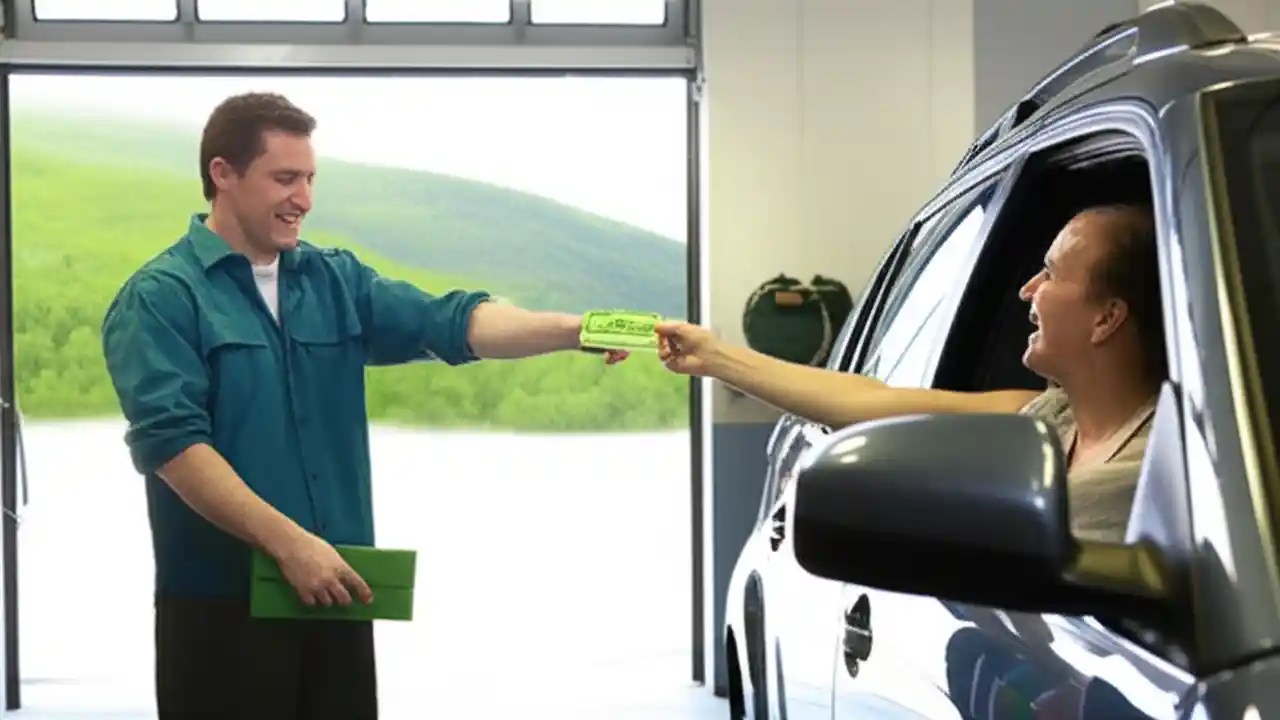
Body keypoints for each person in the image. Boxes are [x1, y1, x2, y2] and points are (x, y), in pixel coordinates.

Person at [100, 92, 628, 719]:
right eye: (285, 178)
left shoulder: (334, 281)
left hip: (336, 590)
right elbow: (176, 448)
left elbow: (450, 322)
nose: (304, 198)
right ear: (223, 173)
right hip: (221, 609)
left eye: (310, 179)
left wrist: (576, 331)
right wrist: (290, 546)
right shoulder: (162, 297)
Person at [656, 204, 1164, 543]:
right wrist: (713, 356)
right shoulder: (1044, 416)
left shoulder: (1158, 470)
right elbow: (871, 403)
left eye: (1050, 274)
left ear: (1107, 318)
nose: (1027, 290)